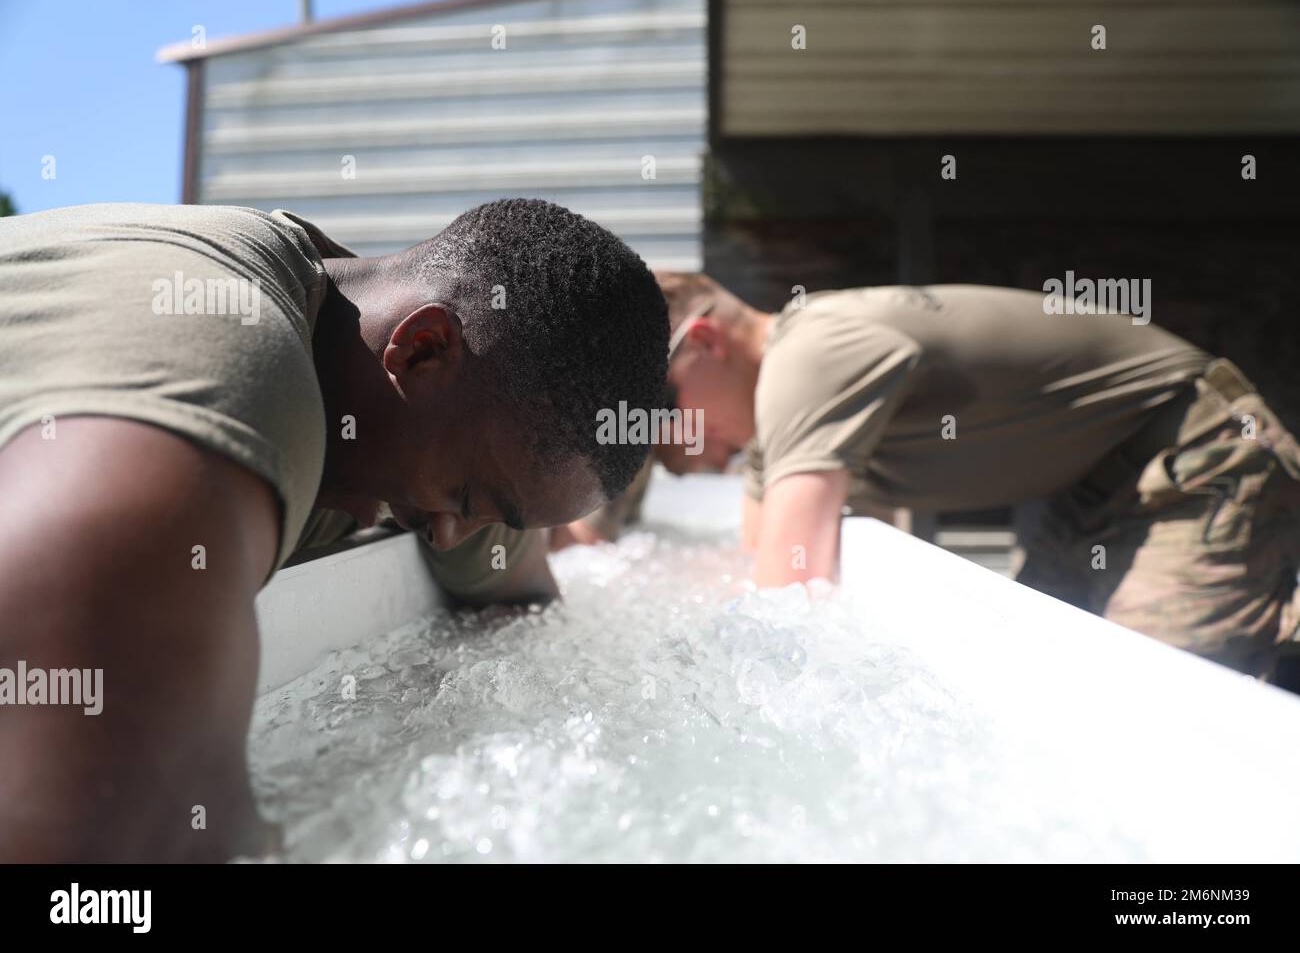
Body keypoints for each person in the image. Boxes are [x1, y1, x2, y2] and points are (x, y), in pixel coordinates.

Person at [0, 199, 668, 861]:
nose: (444, 536)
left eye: (490, 515)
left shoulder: (398, 370)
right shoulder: (210, 401)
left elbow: (522, 593)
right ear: (420, 350)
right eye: (466, 497)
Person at [656, 272, 1300, 682]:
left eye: (670, 415)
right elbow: (749, 566)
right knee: (1048, 686)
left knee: (1157, 706)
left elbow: (782, 610)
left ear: (708, 341)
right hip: (1097, 486)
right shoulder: (777, 424)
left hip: (1196, 452)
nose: (685, 455)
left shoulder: (809, 353)